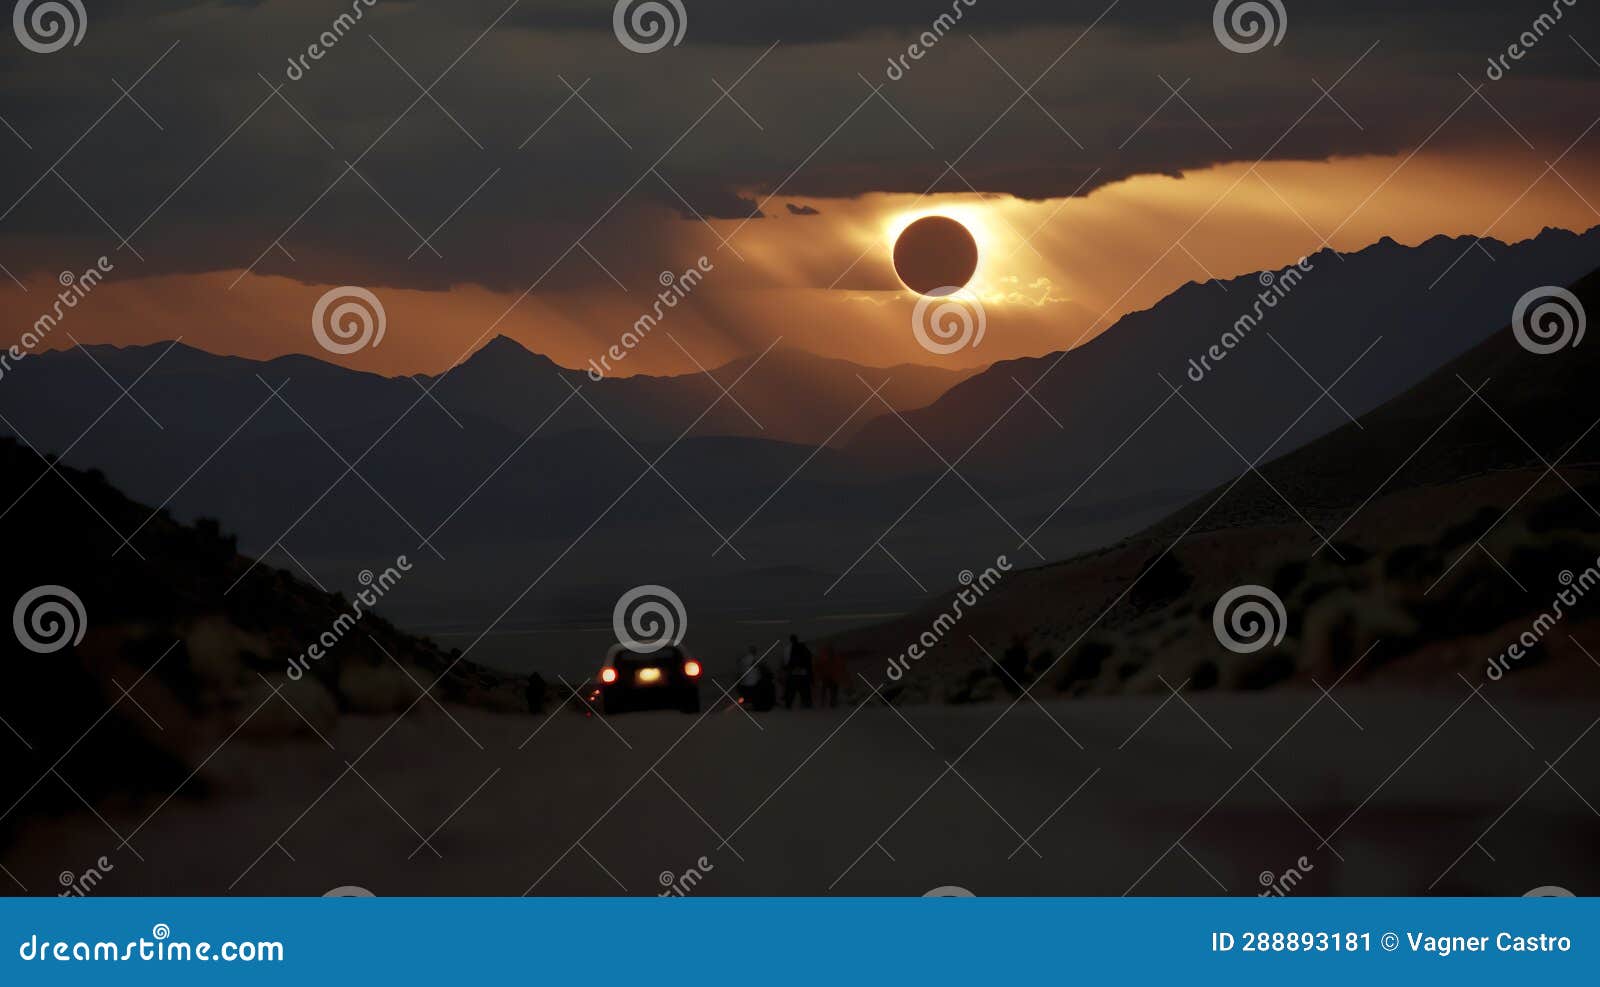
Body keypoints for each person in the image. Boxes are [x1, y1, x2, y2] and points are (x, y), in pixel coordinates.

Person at [783, 634, 813, 709]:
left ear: (791, 640)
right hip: (803, 671)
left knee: (791, 688)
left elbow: (790, 660)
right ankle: (806, 703)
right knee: (804, 689)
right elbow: (808, 658)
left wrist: (788, 668)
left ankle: (789, 704)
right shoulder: (803, 647)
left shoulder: (792, 648)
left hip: (794, 671)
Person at [815, 643, 843, 708]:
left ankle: (828, 703)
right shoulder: (826, 658)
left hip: (830, 677)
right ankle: (826, 703)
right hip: (828, 677)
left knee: (829, 691)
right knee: (827, 691)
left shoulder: (832, 658)